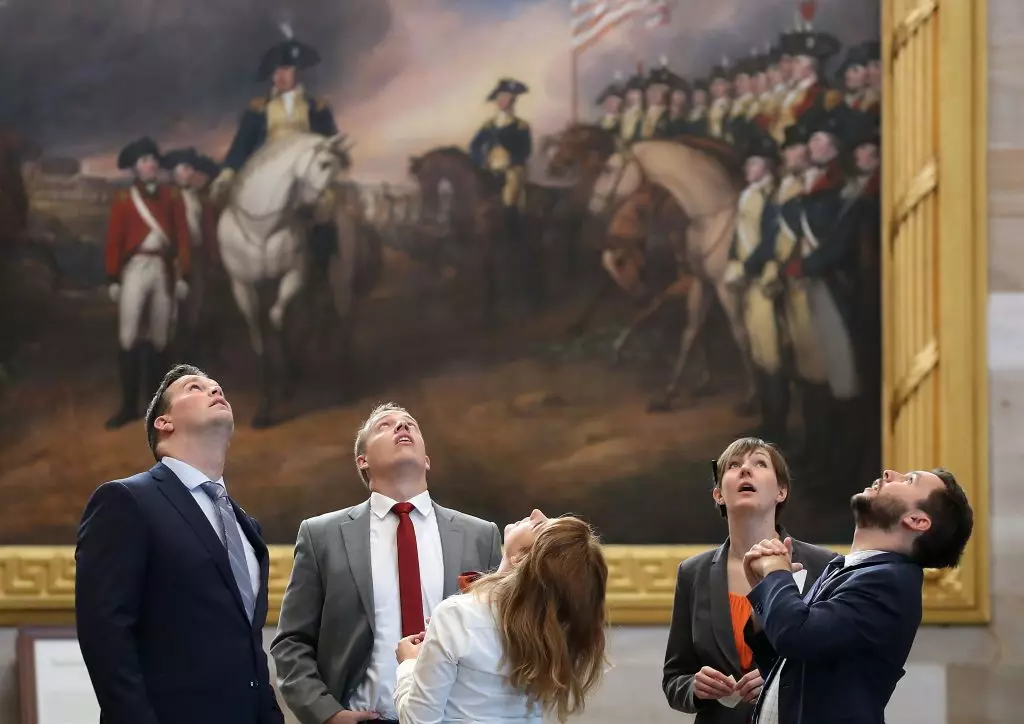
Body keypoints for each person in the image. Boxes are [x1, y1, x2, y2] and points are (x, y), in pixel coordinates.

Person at [75, 364, 284, 724]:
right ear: (164, 422)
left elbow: (248, 647)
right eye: (195, 388)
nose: (215, 390)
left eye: (217, 387)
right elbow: (106, 635)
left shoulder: (247, 526)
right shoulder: (126, 500)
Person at [271, 402, 504, 724]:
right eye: (385, 425)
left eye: (411, 424)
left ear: (426, 460)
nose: (402, 427)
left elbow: (503, 636)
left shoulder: (480, 535)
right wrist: (326, 713)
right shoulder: (321, 536)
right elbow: (292, 641)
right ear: (362, 460)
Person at [743, 467, 974, 724]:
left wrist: (776, 573)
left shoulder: (888, 582)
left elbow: (795, 635)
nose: (889, 473)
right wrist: (765, 594)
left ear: (917, 520)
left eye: (909, 480)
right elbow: (791, 665)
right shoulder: (847, 569)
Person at [662, 437, 834, 724]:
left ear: (781, 491)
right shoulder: (693, 573)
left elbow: (841, 666)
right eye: (734, 465)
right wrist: (694, 687)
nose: (745, 470)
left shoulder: (823, 565)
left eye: (759, 463)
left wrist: (780, 681)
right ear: (718, 494)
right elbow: (673, 680)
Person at [393, 513, 608, 723]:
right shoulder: (554, 628)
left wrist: (409, 664)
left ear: (520, 558)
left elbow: (416, 719)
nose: (535, 513)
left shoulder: (456, 614)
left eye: (538, 525)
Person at [104, 137, 191, 430]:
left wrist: (184, 274)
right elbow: (114, 240)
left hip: (162, 268)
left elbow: (182, 239)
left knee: (160, 337)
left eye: (153, 159)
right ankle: (128, 406)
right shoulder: (124, 199)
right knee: (128, 336)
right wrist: (114, 277)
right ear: (135, 169)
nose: (150, 164)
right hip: (135, 269)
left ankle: (156, 408)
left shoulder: (172, 197)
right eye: (144, 161)